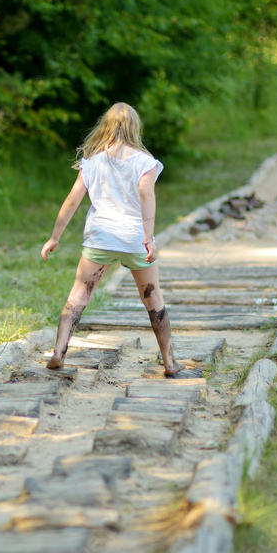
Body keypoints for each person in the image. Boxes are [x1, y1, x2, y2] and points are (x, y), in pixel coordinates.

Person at [40, 102, 192, 378]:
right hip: (134, 239)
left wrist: (54, 237)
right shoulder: (144, 163)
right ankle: (170, 362)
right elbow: (146, 195)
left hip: (100, 239)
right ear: (135, 128)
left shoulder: (93, 161)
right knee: (153, 296)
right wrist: (149, 238)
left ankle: (58, 353)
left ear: (106, 126)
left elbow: (72, 200)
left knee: (79, 294)